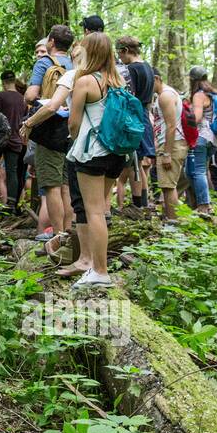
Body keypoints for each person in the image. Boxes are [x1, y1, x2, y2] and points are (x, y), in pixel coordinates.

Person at [65, 33, 127, 288]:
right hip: (116, 153)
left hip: (92, 153)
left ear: (90, 52)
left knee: (94, 212)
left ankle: (99, 271)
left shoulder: (85, 81)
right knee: (100, 208)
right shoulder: (118, 81)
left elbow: (73, 123)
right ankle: (96, 268)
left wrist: (75, 138)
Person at [24, 24, 75, 240]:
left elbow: (30, 95)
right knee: (66, 185)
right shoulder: (75, 64)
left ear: (51, 42)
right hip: (72, 127)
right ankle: (68, 232)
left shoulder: (44, 62)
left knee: (51, 184)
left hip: (49, 127)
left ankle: (57, 234)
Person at [115, 36, 156, 211]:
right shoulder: (147, 67)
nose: (119, 57)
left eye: (119, 53)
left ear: (125, 50)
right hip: (144, 115)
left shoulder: (131, 69)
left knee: (134, 164)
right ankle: (143, 203)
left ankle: (138, 204)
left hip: (135, 118)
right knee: (138, 163)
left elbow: (129, 96)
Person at [0, 71, 27, 212]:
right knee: (12, 171)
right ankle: (12, 204)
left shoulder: (0, 96)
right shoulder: (22, 99)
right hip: (16, 139)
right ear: (14, 81)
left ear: (3, 82)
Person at [153, 77, 185, 221]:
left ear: (156, 79)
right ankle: (170, 218)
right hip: (167, 143)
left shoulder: (166, 95)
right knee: (167, 186)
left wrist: (167, 153)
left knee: (168, 186)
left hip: (172, 144)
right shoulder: (163, 95)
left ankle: (173, 222)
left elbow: (171, 126)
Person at [185, 67, 217, 215]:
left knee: (197, 171)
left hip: (201, 136)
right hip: (211, 138)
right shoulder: (211, 94)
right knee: (193, 171)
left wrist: (185, 113)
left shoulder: (198, 95)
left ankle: (204, 205)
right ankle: (200, 203)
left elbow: (197, 118)